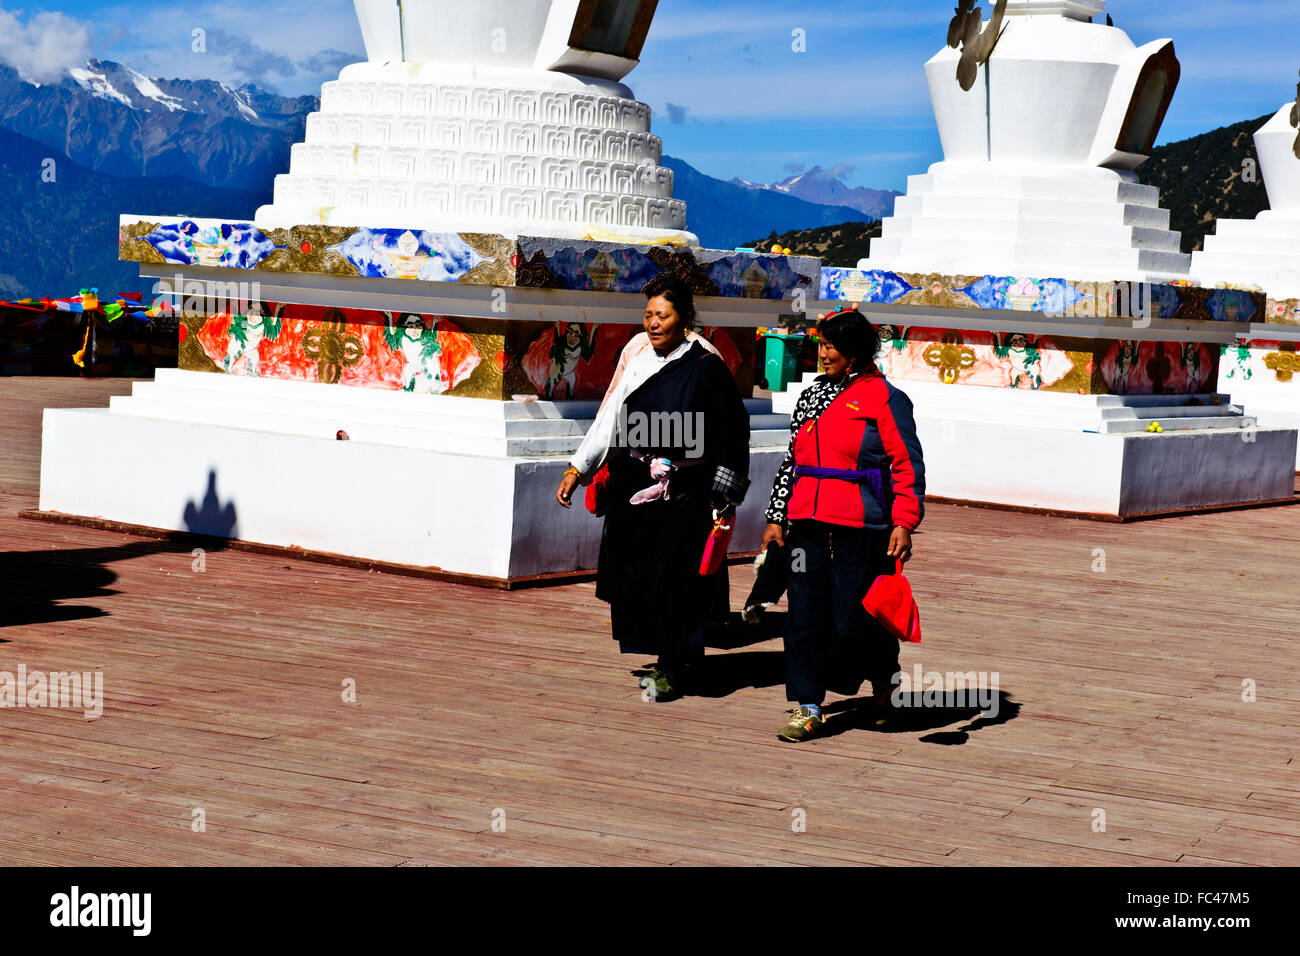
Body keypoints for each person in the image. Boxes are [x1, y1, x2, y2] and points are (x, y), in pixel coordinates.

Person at [556, 275, 751, 700]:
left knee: (673, 578)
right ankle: (664, 652)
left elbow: (733, 431)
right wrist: (579, 468)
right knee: (637, 575)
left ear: (684, 320)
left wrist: (725, 495)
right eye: (648, 315)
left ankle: (671, 664)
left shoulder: (705, 365)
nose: (653, 323)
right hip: (636, 487)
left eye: (663, 315)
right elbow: (611, 416)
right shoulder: (639, 358)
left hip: (686, 491)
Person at [762, 306, 925, 742]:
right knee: (803, 615)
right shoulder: (812, 395)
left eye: (831, 346)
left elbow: (906, 464)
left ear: (852, 351)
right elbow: (792, 460)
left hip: (862, 526)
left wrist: (905, 521)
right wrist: (777, 516)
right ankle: (807, 705)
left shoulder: (884, 398)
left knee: (853, 618)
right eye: (822, 344)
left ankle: (885, 683)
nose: (823, 354)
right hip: (805, 523)